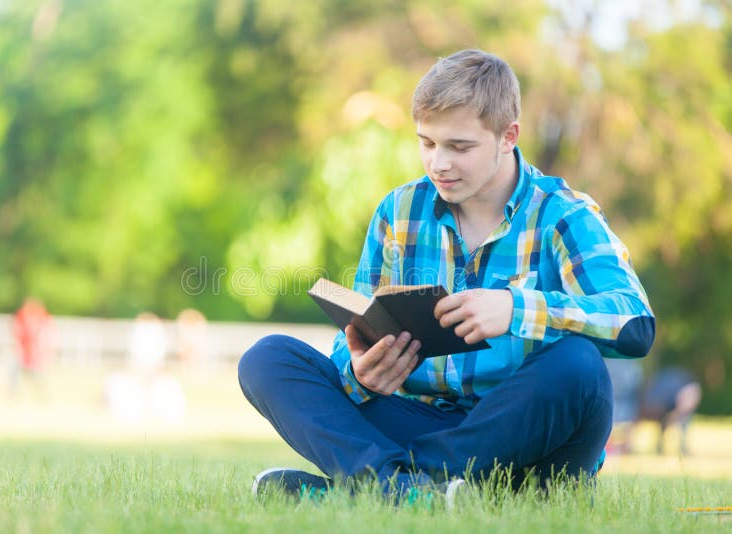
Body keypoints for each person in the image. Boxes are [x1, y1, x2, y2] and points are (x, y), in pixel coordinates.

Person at [238, 49, 655, 501]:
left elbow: (635, 322)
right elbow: (350, 338)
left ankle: (378, 487)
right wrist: (360, 371)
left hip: (533, 439)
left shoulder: (563, 214)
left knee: (579, 365)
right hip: (421, 422)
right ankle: (413, 491)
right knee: (267, 359)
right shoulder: (397, 212)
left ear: (507, 136)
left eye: (460, 147)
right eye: (428, 143)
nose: (439, 163)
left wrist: (517, 308)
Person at [10, 297, 57, 399]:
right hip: (25, 354)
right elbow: (17, 333)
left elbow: (47, 336)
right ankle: (14, 394)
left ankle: (42, 396)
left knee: (35, 375)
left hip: (33, 355)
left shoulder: (41, 318)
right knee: (17, 373)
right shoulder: (23, 317)